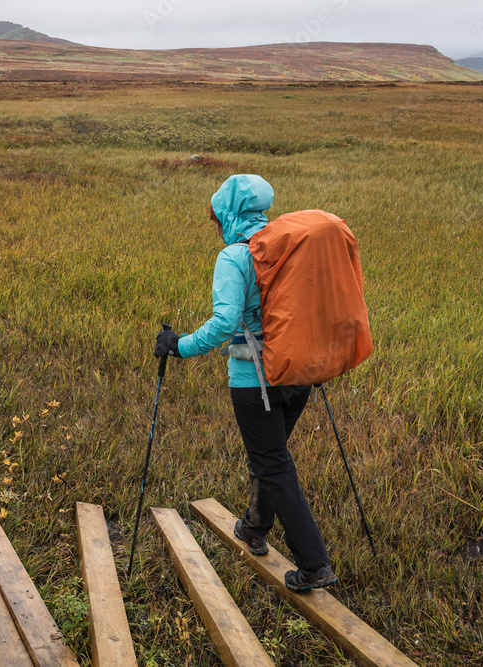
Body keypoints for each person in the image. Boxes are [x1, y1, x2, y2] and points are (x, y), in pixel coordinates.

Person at [153, 174, 337, 591]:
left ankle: (314, 563)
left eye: (215, 219)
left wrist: (178, 345)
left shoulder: (235, 257)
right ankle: (254, 527)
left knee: (272, 462)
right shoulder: (287, 246)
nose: (215, 228)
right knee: (271, 458)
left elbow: (223, 324)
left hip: (256, 381)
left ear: (228, 216)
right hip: (299, 372)